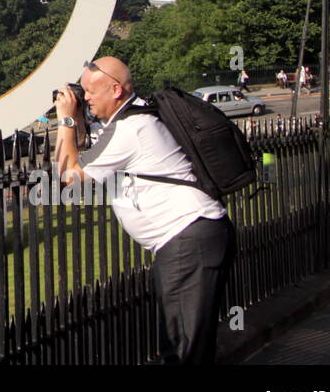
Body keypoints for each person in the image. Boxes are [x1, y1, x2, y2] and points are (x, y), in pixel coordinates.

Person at [55, 58, 235, 364]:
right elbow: (86, 147)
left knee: (181, 351)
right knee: (193, 344)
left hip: (186, 239)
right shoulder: (140, 114)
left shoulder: (130, 128)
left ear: (115, 90)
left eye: (90, 92)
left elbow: (68, 175)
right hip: (199, 235)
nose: (85, 98)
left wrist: (65, 120)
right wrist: (79, 121)